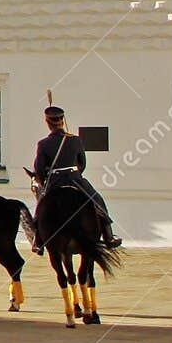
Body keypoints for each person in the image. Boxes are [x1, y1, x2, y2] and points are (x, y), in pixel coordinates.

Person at [32, 104, 122, 251]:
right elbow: (82, 163)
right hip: (75, 179)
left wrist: (46, 179)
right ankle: (108, 236)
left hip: (55, 181)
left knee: (41, 207)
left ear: (48, 123)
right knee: (97, 200)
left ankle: (38, 240)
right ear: (62, 121)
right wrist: (75, 175)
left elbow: (39, 169)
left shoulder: (43, 144)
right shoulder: (75, 140)